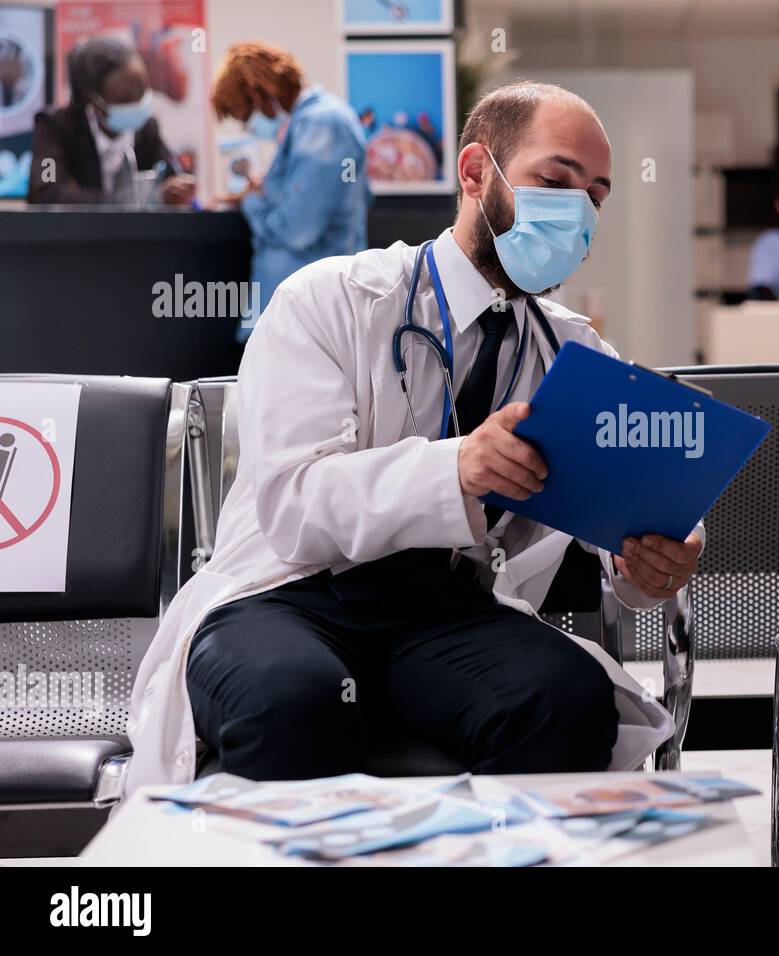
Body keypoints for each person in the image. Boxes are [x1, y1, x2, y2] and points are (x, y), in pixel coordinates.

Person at [125, 81, 704, 793]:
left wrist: (650, 560)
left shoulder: (576, 358)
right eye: (554, 181)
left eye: (597, 197)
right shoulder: (329, 300)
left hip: (444, 611)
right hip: (288, 594)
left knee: (563, 699)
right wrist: (455, 467)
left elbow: (625, 524)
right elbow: (293, 507)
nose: (578, 213)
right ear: (474, 173)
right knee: (293, 700)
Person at [209, 41, 371, 341]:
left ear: (259, 93)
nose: (248, 127)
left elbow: (298, 229)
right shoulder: (313, 123)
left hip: (310, 320)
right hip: (301, 318)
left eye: (246, 116)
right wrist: (267, 191)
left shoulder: (321, 124)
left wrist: (252, 202)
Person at [28, 36, 196, 205]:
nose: (137, 104)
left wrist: (174, 189)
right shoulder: (54, 127)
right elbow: (47, 192)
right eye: (124, 99)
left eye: (142, 91)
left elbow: (171, 173)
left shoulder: (146, 128)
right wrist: (124, 202)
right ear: (93, 101)